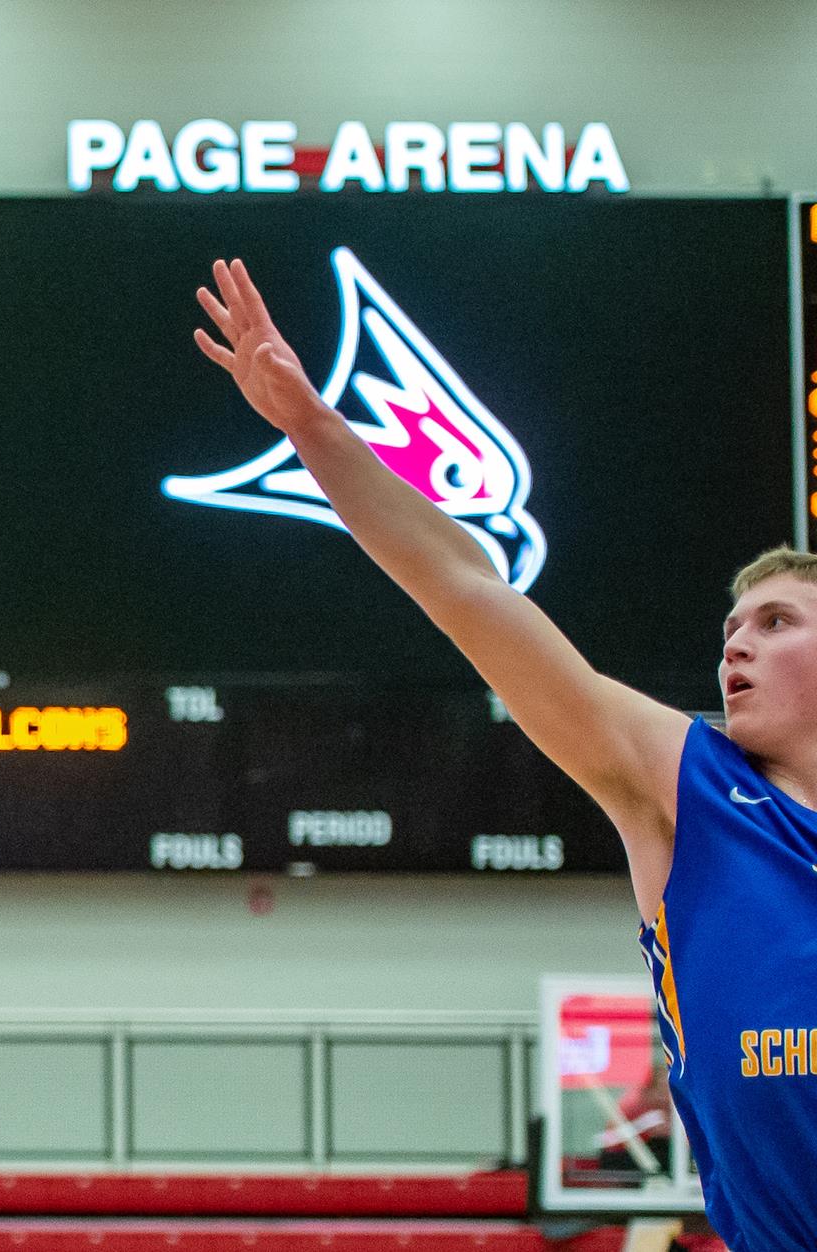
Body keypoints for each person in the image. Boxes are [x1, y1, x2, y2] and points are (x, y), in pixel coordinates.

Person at [193, 258, 817, 1252]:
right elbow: (467, 590)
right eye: (731, 624)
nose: (733, 642)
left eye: (774, 621)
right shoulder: (685, 787)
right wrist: (312, 429)